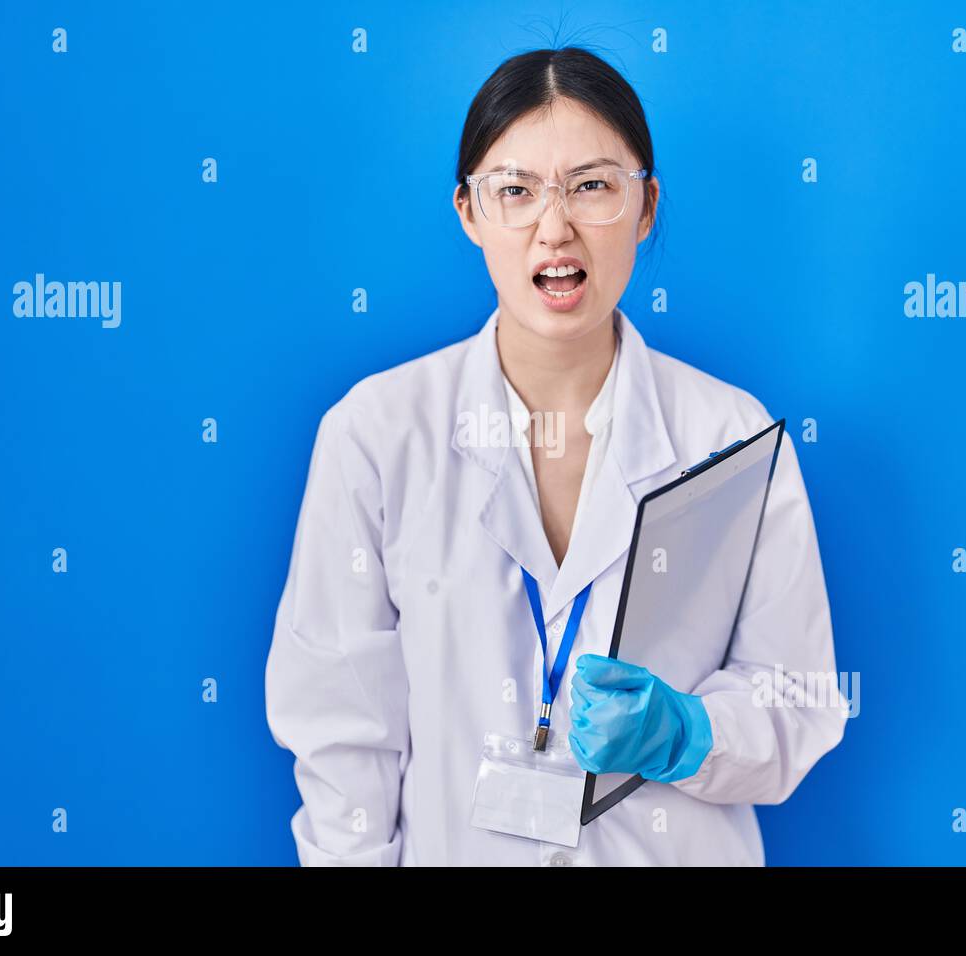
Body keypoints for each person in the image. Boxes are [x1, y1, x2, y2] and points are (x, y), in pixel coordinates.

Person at [264, 46, 847, 866]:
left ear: (646, 206)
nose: (555, 226)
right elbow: (341, 737)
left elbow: (798, 698)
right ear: (468, 212)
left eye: (593, 186)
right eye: (516, 191)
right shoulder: (376, 435)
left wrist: (689, 730)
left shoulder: (729, 436)